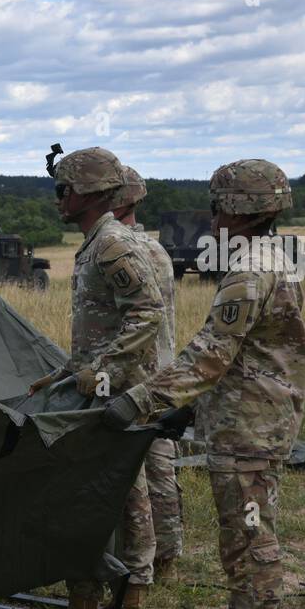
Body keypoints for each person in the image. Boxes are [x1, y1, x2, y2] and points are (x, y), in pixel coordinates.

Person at [103, 159, 305, 609]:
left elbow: (208, 358)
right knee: (240, 539)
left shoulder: (248, 271)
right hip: (249, 419)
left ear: (236, 211)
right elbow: (246, 355)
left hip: (249, 430)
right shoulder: (273, 259)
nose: (211, 217)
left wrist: (138, 402)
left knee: (250, 543)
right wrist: (190, 411)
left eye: (216, 206)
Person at [24, 147, 162, 609]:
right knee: (90, 497)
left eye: (62, 189)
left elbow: (148, 315)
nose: (57, 198)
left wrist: (103, 370)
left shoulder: (112, 245)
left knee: (125, 497)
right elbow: (102, 326)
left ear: (87, 193)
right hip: (97, 388)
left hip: (116, 395)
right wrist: (67, 371)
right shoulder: (97, 242)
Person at [110, 166, 183, 582]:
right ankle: (165, 553)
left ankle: (144, 560)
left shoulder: (126, 250)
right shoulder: (154, 249)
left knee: (145, 465)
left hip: (137, 374)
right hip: (160, 370)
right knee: (160, 462)